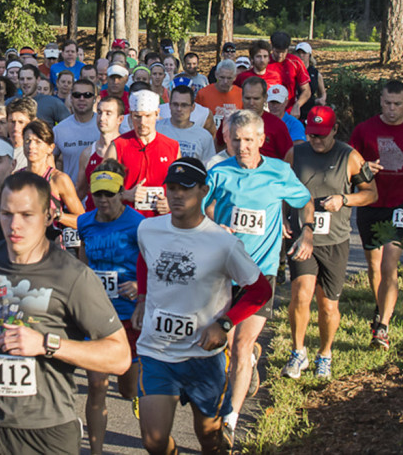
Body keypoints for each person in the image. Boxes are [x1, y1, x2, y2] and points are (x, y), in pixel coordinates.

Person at [0, 172, 131, 454]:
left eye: (27, 215)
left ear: (49, 216)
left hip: (45, 429)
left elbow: (120, 357)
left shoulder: (72, 275)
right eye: (6, 213)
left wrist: (47, 344)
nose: (14, 225)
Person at [132, 157, 272, 454]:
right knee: (153, 442)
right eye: (171, 188)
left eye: (186, 188)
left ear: (203, 190)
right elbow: (145, 258)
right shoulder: (148, 229)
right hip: (157, 351)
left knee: (209, 438)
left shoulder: (222, 243)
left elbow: (260, 291)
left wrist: (224, 324)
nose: (177, 195)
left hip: (202, 356)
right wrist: (143, 298)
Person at [203, 109, 314, 438]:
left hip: (259, 275)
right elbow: (201, 209)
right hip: (223, 273)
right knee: (223, 342)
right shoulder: (219, 172)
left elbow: (304, 200)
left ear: (262, 140)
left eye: (249, 140)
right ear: (227, 139)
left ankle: (230, 420)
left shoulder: (279, 172)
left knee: (241, 344)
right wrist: (213, 225)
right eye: (236, 140)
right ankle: (242, 368)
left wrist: (306, 230)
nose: (243, 146)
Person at [284, 106, 378, 379]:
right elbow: (281, 187)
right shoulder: (296, 153)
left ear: (335, 130)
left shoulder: (349, 156)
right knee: (301, 294)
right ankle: (297, 351)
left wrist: (345, 199)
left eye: (322, 135)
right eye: (312, 135)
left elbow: (371, 193)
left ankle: (324, 354)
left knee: (328, 304)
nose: (317, 141)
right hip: (303, 236)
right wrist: (283, 218)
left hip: (334, 239)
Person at [350, 80, 403, 350]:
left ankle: (383, 327)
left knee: (390, 264)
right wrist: (364, 168)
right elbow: (349, 161)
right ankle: (380, 310)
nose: (391, 109)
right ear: (380, 101)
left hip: (401, 205)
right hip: (370, 203)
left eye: (397, 104)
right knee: (374, 266)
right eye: (387, 103)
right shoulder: (365, 129)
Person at [76, 161, 145, 455]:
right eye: (98, 194)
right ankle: (95, 451)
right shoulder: (84, 223)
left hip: (129, 316)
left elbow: (153, 266)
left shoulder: (139, 224)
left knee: (128, 389)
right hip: (97, 317)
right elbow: (82, 266)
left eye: (109, 194)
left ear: (121, 193)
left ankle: (140, 396)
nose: (103, 201)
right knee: (95, 386)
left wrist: (141, 289)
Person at [107, 90, 180, 218]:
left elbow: (181, 187)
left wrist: (171, 202)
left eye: (148, 116)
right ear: (130, 116)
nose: (142, 122)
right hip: (126, 222)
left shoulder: (172, 147)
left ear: (157, 114)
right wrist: (126, 194)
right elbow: (102, 185)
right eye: (137, 116)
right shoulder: (118, 146)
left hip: (162, 223)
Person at [21, 119, 86, 235]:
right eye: (27, 140)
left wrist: (58, 215)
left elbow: (82, 220)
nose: (31, 146)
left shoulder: (58, 180)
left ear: (50, 148)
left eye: (38, 142)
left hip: (51, 246)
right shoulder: (15, 178)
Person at [215, 77, 294, 160]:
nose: (251, 103)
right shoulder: (230, 120)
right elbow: (218, 145)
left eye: (256, 99)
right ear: (242, 96)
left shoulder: (277, 125)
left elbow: (289, 155)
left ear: (265, 98)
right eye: (247, 98)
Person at [76, 96, 125, 210]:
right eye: (99, 112)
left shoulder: (128, 149)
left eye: (108, 113)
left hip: (121, 219)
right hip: (94, 219)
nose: (102, 118)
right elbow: (80, 191)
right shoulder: (88, 153)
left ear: (120, 119)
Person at [53, 79, 101, 183]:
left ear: (95, 99)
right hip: (70, 195)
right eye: (77, 95)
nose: (82, 98)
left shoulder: (104, 125)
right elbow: (50, 164)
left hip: (100, 195)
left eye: (87, 95)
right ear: (71, 98)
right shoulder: (59, 130)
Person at [156, 85, 216, 164]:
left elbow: (209, 167)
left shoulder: (204, 136)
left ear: (192, 107)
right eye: (175, 104)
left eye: (184, 105)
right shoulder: (156, 129)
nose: (179, 109)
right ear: (169, 105)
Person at [267, 31, 311, 116]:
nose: (280, 55)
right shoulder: (264, 62)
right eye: (277, 52)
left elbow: (306, 90)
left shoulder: (295, 62)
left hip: (288, 112)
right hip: (267, 111)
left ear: (288, 49)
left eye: (283, 52)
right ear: (272, 48)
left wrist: (297, 105)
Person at [195, 59, 242, 132]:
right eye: (222, 77)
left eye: (229, 78)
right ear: (216, 75)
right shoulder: (203, 94)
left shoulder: (241, 94)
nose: (225, 82)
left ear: (235, 77)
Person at [293, 42, 327, 120]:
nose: (301, 56)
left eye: (304, 53)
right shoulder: (291, 71)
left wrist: (322, 99)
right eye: (298, 53)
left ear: (309, 55)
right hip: (293, 111)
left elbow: (322, 92)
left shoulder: (315, 74)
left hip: (310, 112)